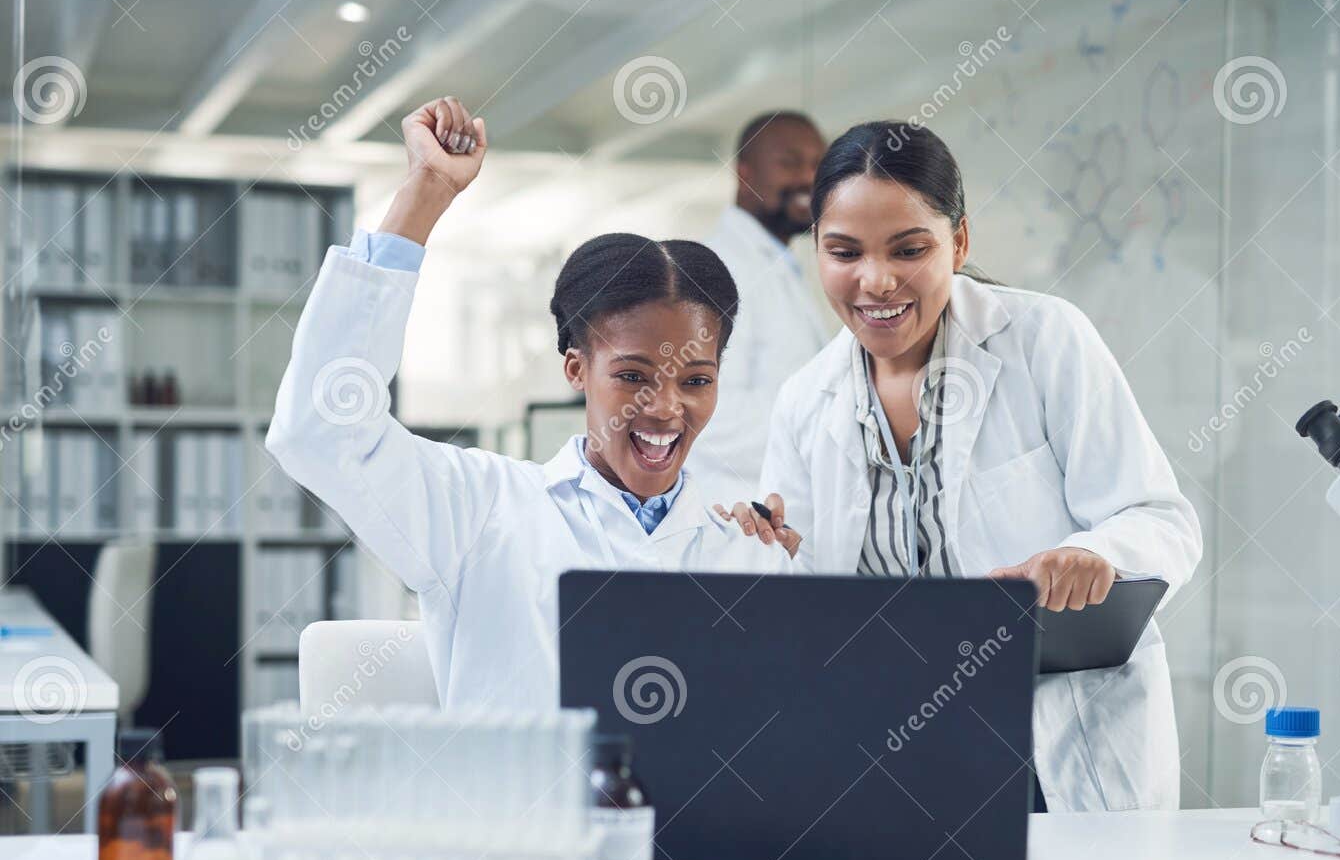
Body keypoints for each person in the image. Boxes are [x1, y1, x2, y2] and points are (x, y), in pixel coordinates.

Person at [722, 121, 1202, 812]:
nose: (876, 280)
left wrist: (1093, 553)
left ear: (960, 242)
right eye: (844, 251)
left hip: (1056, 753)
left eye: (909, 249)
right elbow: (806, 602)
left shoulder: (1043, 341)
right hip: (890, 756)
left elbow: (1163, 518)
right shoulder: (805, 401)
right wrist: (758, 553)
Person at [266, 95, 791, 711]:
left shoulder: (745, 551)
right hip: (514, 808)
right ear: (577, 368)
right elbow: (322, 434)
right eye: (632, 375)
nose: (666, 407)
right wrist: (426, 192)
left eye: (696, 380)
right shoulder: (480, 510)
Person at [693, 111, 833, 506]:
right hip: (737, 515)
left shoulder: (779, 263)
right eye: (790, 163)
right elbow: (710, 414)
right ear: (745, 173)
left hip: (775, 513)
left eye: (817, 165)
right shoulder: (722, 265)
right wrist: (829, 424)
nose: (809, 179)